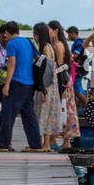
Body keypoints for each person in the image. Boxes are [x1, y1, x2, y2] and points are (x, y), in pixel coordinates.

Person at [0, 21, 42, 151]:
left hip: (17, 82)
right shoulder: (28, 42)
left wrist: (6, 85)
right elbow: (38, 58)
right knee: (29, 116)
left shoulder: (11, 44)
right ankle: (36, 145)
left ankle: (4, 145)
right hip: (30, 84)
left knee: (7, 114)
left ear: (6, 32)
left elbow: (11, 64)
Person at [34, 21, 65, 151]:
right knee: (47, 114)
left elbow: (45, 70)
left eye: (35, 34)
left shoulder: (45, 48)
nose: (34, 37)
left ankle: (45, 144)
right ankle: (45, 144)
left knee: (43, 114)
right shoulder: (49, 47)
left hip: (47, 86)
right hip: (52, 86)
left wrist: (43, 89)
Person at [49, 19, 79, 149]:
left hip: (61, 81)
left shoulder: (58, 45)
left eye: (49, 30)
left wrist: (51, 75)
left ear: (56, 30)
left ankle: (60, 141)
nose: (48, 32)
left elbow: (60, 66)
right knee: (65, 110)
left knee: (63, 110)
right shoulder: (59, 44)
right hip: (64, 79)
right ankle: (61, 141)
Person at [67, 25, 88, 109]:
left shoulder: (79, 43)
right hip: (80, 68)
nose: (68, 36)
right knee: (79, 87)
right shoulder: (77, 43)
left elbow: (75, 55)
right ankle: (81, 107)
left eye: (69, 34)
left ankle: (89, 107)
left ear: (73, 33)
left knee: (76, 90)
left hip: (78, 69)